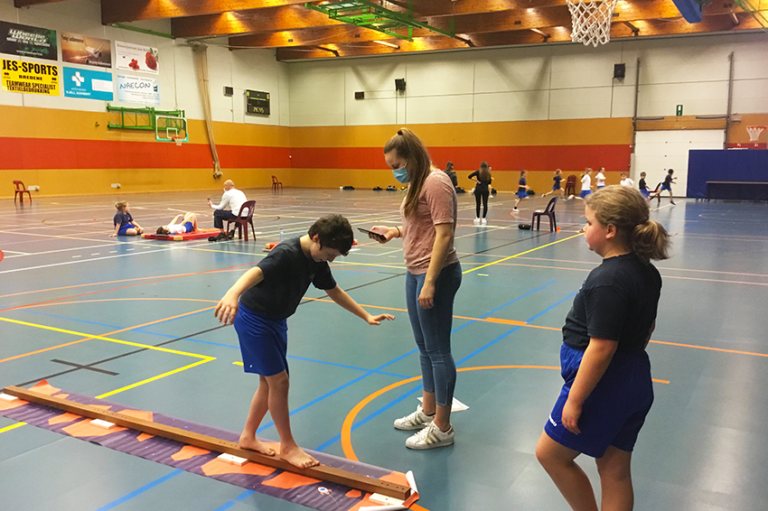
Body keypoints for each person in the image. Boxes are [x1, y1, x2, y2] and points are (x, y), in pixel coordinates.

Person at [214, 214, 394, 469]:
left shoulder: (316, 259)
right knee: (280, 382)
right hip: (254, 319)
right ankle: (287, 446)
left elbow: (334, 290)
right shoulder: (286, 253)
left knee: (268, 383)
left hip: (276, 320)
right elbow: (256, 272)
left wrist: (365, 315)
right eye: (330, 254)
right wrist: (232, 293)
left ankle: (248, 437)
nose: (331, 260)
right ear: (317, 238)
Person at [535, 185, 670, 511]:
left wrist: (575, 400)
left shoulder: (608, 279)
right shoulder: (646, 271)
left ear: (610, 230)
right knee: (614, 469)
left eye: (588, 222)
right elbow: (648, 327)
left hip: (604, 382)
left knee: (550, 455)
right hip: (634, 375)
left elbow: (602, 347)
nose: (583, 228)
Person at [370, 128, 462, 450]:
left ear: (411, 157)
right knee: (424, 348)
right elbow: (419, 224)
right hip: (414, 272)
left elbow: (444, 233)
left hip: (435, 273)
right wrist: (394, 231)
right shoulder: (417, 182)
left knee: (438, 351)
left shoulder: (436, 182)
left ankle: (443, 427)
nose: (395, 171)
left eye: (396, 165)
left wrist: (431, 281)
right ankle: (428, 411)